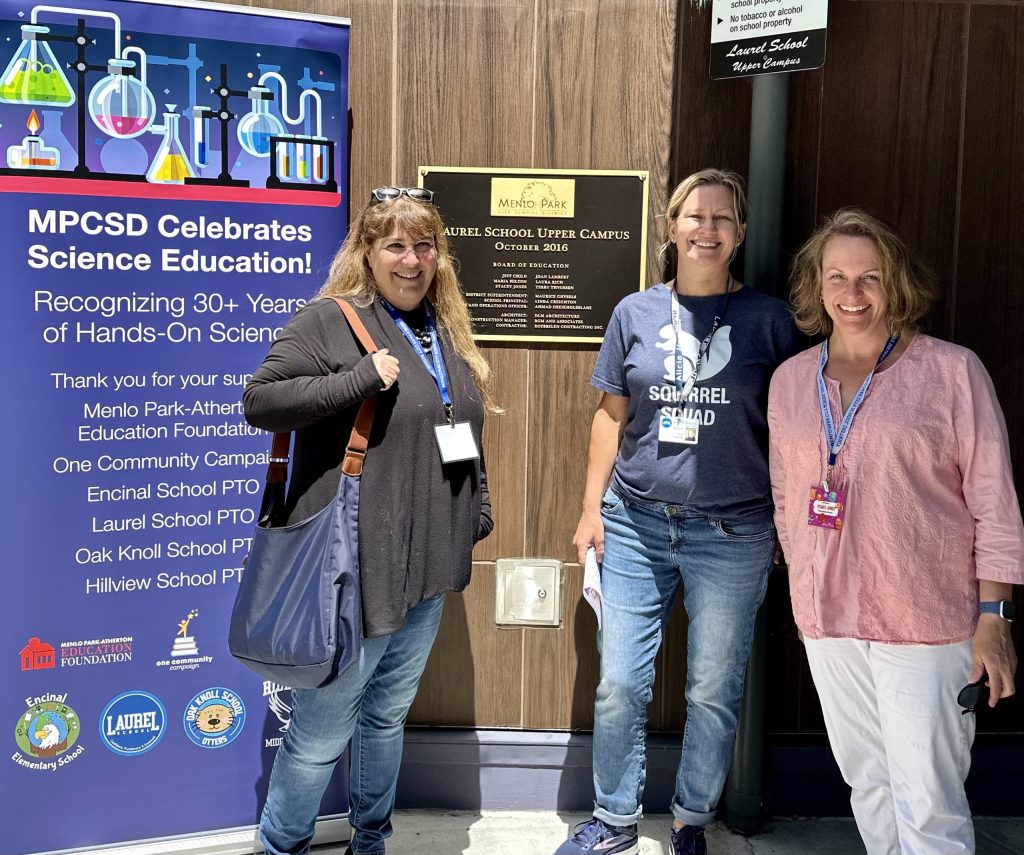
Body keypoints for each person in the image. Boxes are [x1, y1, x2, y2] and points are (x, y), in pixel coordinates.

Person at [243, 186, 497, 855]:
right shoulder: (330, 320)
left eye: (424, 245)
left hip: (425, 576)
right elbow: (261, 401)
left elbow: (457, 422)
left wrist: (478, 504)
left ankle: (371, 838)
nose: (411, 260)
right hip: (353, 573)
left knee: (385, 718)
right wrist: (357, 378)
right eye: (395, 245)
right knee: (322, 731)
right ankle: (283, 845)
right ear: (367, 251)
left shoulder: (441, 329)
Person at [555, 169, 798, 855]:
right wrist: (590, 509)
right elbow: (610, 417)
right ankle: (614, 820)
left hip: (737, 531)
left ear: (740, 234)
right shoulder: (633, 313)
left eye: (722, 218)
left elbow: (792, 432)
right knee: (620, 684)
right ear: (671, 226)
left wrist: (786, 520)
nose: (707, 228)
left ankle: (691, 820)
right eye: (695, 215)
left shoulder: (770, 320)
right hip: (634, 522)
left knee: (713, 690)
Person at [768, 208, 1023, 854]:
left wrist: (994, 615)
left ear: (897, 282)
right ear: (816, 286)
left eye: (869, 277)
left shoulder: (952, 372)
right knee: (870, 784)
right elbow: (784, 492)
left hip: (927, 618)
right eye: (837, 278)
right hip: (828, 619)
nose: (852, 295)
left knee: (928, 798)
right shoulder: (789, 382)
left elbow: (994, 499)